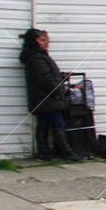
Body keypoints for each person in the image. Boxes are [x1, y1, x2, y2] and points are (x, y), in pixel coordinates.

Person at [20, 28, 75, 160]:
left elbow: (48, 76)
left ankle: (43, 152)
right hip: (48, 98)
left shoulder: (36, 56)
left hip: (42, 98)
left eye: (47, 40)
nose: (46, 43)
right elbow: (45, 79)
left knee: (43, 124)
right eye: (42, 40)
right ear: (34, 41)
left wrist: (60, 77)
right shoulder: (36, 58)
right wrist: (59, 89)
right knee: (58, 124)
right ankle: (67, 152)